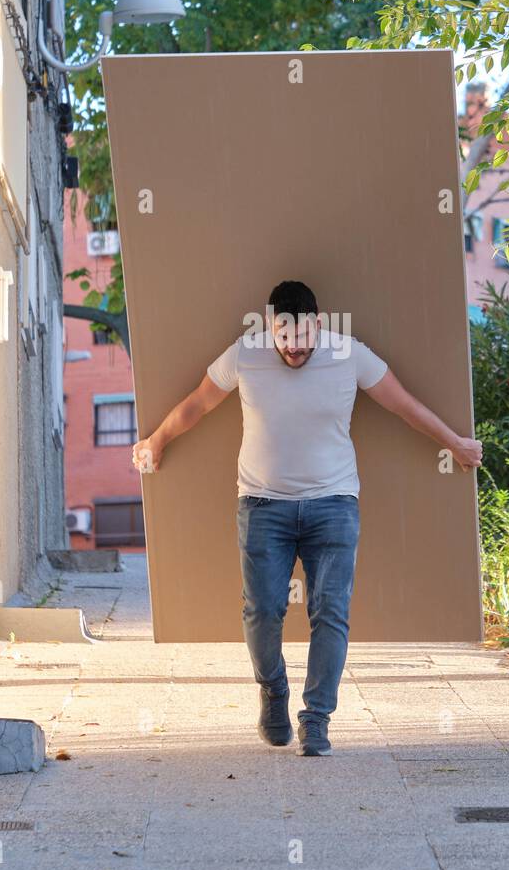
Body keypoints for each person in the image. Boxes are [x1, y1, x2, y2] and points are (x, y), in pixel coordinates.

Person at [131, 280, 482, 756]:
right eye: (283, 335)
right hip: (261, 507)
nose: (293, 347)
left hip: (334, 505)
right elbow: (197, 403)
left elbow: (403, 406)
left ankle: (316, 720)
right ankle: (273, 691)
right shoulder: (245, 353)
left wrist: (454, 443)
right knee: (262, 610)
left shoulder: (349, 354)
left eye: (302, 336)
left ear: (318, 323)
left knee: (330, 614)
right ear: (270, 326)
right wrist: (156, 441)